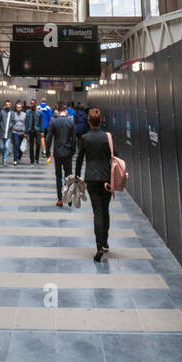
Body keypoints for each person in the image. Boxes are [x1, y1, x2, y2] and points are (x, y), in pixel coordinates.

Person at [76, 107, 113, 261]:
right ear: (101, 120)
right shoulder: (108, 137)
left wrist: (77, 176)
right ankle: (105, 242)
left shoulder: (84, 138)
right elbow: (115, 155)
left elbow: (79, 158)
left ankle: (99, 247)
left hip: (91, 178)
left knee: (97, 211)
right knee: (105, 209)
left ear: (88, 121)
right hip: (106, 178)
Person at [46, 102, 77, 206]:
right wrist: (73, 151)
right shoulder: (70, 122)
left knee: (58, 176)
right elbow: (74, 139)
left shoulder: (54, 121)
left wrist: (47, 152)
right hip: (68, 152)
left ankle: (60, 199)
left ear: (57, 110)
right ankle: (69, 198)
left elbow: (49, 138)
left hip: (58, 153)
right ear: (66, 110)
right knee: (69, 175)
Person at [0, 100, 13, 165]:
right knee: (2, 147)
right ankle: (3, 157)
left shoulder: (12, 113)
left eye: (9, 104)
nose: (8, 105)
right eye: (7, 104)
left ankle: (5, 160)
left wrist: (11, 125)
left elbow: (13, 121)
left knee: (6, 146)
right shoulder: (2, 112)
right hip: (2, 133)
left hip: (8, 133)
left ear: (10, 105)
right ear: (5, 105)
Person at [26, 100, 42, 165]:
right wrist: (26, 131)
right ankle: (32, 160)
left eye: (32, 103)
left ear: (35, 104)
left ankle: (37, 158)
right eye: (31, 103)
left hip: (37, 130)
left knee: (38, 144)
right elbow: (26, 122)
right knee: (31, 146)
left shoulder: (39, 112)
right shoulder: (28, 112)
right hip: (30, 130)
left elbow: (41, 122)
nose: (31, 104)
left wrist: (42, 131)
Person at [37, 96, 53, 161]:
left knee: (42, 138)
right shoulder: (48, 108)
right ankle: (46, 150)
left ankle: (44, 151)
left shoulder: (38, 107)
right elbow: (50, 117)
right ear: (46, 101)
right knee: (46, 138)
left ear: (41, 101)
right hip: (47, 125)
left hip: (40, 126)